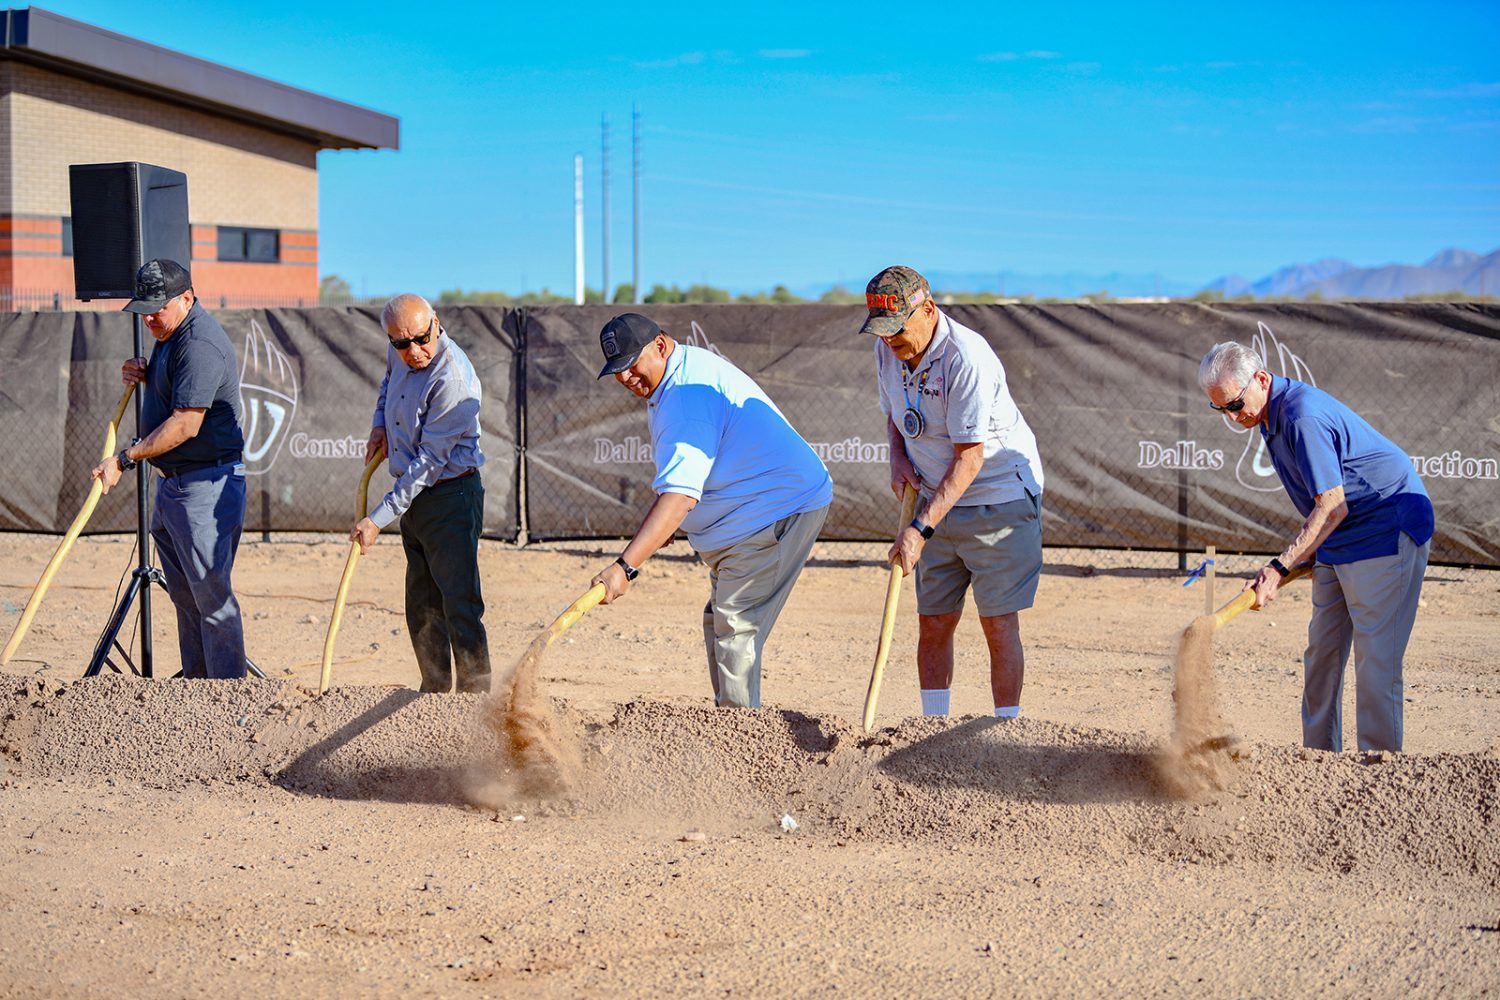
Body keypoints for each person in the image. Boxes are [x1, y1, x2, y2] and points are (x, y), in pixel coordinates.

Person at [589, 312, 833, 709]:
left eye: (632, 364)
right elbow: (687, 481)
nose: (625, 377)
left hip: (775, 510)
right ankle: (728, 726)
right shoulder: (676, 379)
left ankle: (738, 746)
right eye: (618, 371)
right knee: (720, 624)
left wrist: (625, 566)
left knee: (737, 629)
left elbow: (681, 496)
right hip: (753, 511)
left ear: (661, 346)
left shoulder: (685, 397)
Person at [1198, 342, 1433, 752]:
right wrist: (1304, 558)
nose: (1234, 417)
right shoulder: (1268, 416)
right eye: (1222, 410)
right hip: (1340, 537)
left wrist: (1280, 567)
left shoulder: (1300, 414)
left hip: (1385, 528)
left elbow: (1332, 504)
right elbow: (1330, 508)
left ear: (1262, 379)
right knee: (1321, 657)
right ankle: (1319, 767)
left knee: (1376, 663)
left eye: (1235, 404)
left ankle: (1377, 774)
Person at [862, 265, 1045, 720]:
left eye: (897, 329)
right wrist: (898, 455)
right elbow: (894, 411)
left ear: (927, 310)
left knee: (998, 625)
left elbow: (970, 458)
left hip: (995, 499)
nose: (889, 341)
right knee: (935, 621)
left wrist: (919, 530)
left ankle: (1005, 730)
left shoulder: (966, 357)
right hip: (933, 499)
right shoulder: (887, 349)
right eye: (881, 331)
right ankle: (932, 729)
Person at [91, 258, 248, 679]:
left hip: (205, 487)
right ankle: (196, 689)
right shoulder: (171, 334)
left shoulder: (199, 343)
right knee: (186, 595)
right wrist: (147, 375)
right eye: (143, 309)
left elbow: (186, 423)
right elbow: (177, 392)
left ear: (187, 298)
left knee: (212, 600)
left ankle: (226, 697)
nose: (149, 318)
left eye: (157, 308)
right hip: (176, 486)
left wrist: (124, 459)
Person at [353, 294, 491, 694]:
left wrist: (377, 519)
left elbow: (430, 463)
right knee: (422, 606)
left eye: (421, 339)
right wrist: (380, 423)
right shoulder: (399, 347)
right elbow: (386, 385)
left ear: (436, 323)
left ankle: (474, 700)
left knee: (459, 604)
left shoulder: (452, 379)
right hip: (415, 500)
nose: (412, 351)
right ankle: (433, 695)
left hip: (450, 497)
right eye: (400, 343)